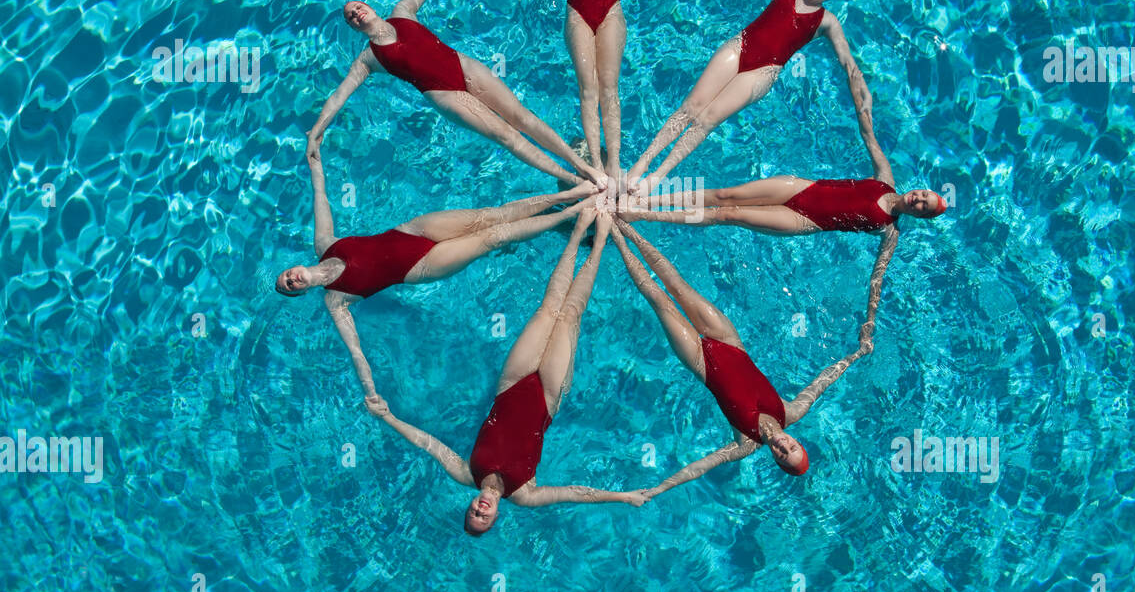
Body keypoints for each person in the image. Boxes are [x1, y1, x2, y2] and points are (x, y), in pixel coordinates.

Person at [366, 210, 651, 534]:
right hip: (548, 393)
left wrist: (387, 417)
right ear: (495, 517)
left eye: (472, 512)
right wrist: (622, 496)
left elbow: (428, 444)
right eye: (483, 518)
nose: (479, 510)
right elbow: (573, 494)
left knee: (548, 308)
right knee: (570, 315)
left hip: (512, 381)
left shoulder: (466, 472)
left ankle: (580, 230)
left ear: (470, 505)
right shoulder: (525, 494)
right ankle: (600, 241)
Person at [274, 131, 596, 406]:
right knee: (492, 238)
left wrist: (314, 160)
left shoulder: (323, 244)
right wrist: (371, 392)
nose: (292, 279)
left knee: (491, 216)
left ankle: (572, 197)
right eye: (290, 286)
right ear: (299, 291)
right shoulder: (336, 300)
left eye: (287, 275)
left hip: (413, 230)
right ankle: (574, 216)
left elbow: (321, 197)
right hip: (422, 265)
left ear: (293, 267)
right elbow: (355, 349)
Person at [621, 85, 947, 353]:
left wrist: (869, 325)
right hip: (800, 187)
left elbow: (877, 279)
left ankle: (642, 214)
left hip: (802, 219)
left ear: (921, 216)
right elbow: (869, 135)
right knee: (723, 195)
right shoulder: (885, 177)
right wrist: (863, 100)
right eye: (922, 195)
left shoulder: (889, 232)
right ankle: (648, 197)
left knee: (727, 214)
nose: (917, 199)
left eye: (923, 207)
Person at [307, 0, 602, 185]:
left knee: (521, 118)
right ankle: (574, 182)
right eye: (350, 17)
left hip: (464, 66)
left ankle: (582, 166)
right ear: (354, 27)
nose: (356, 13)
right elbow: (338, 96)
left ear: (368, 6)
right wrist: (317, 131)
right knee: (506, 135)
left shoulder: (403, 10)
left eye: (357, 7)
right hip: (445, 94)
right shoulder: (368, 59)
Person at [610, 219, 860, 477]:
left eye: (783, 455)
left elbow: (702, 466)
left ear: (776, 460)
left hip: (699, 361)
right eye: (793, 447)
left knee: (659, 299)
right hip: (728, 340)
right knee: (677, 285)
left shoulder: (746, 444)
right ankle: (625, 225)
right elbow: (821, 382)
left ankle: (616, 236)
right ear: (798, 441)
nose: (783, 446)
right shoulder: (791, 411)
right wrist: (857, 354)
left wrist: (660, 487)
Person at [483, 0, 699, 180]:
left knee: (609, 88)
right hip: (577, 16)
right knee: (588, 89)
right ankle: (596, 163)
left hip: (611, 14)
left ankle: (614, 162)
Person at [626, 0, 859, 192]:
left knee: (707, 119)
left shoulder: (827, 21)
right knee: (690, 108)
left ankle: (658, 175)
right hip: (740, 47)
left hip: (764, 71)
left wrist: (860, 87)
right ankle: (643, 162)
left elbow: (846, 59)